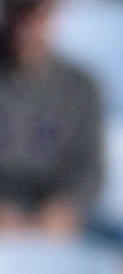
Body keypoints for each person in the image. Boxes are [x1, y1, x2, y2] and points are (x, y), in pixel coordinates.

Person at [0, 0, 102, 236]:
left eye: (36, 17)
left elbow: (90, 168)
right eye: (18, 15)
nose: (25, 29)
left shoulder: (81, 87)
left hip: (52, 223)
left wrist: (65, 207)